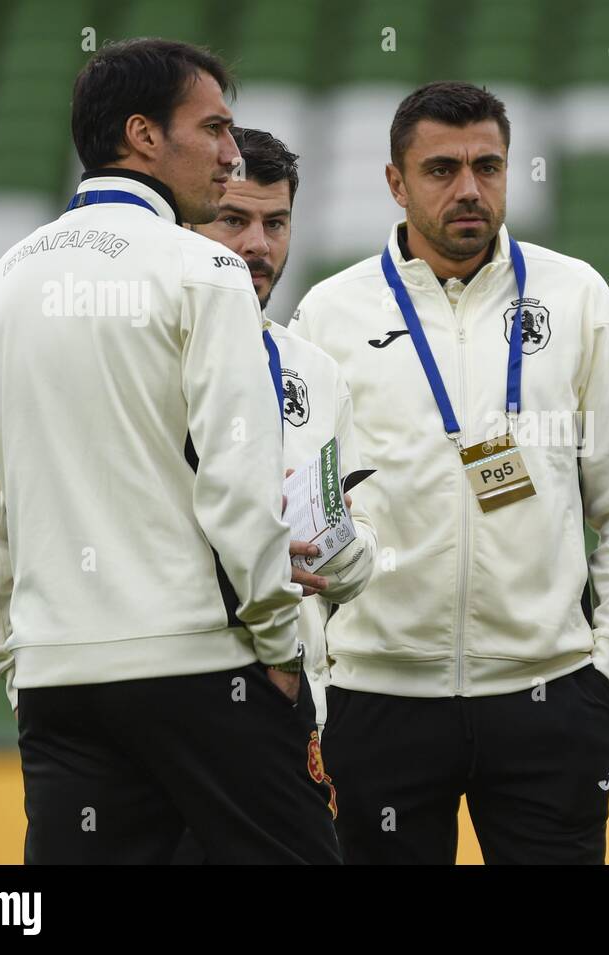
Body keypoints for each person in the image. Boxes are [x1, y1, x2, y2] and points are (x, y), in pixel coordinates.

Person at [0, 39, 339, 864]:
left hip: (59, 679)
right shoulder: (204, 270)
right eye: (216, 128)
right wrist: (278, 645)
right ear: (144, 135)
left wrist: (11, 658)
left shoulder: (0, 282)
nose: (233, 156)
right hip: (203, 667)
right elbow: (238, 482)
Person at [291, 81, 609, 864]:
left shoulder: (575, 297)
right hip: (380, 697)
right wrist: (324, 682)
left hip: (550, 697)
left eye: (487, 166)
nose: (469, 189)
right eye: (440, 170)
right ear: (395, 183)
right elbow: (301, 517)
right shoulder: (331, 314)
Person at [191, 125, 378, 737]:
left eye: (275, 224)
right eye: (233, 221)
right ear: (190, 223)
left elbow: (357, 565)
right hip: (181, 684)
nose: (257, 245)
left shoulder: (316, 372)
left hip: (293, 695)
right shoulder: (148, 360)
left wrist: (333, 541)